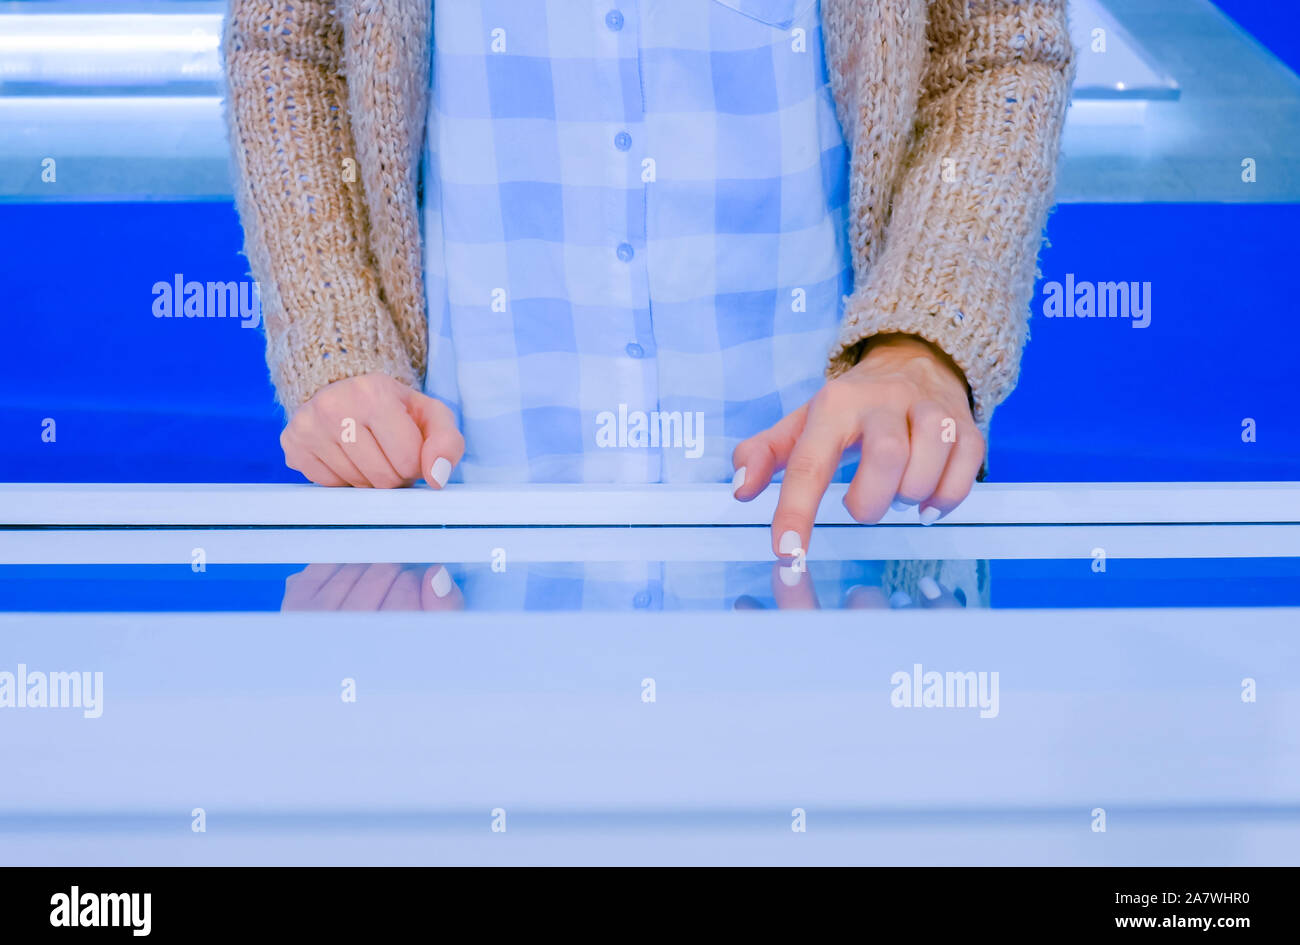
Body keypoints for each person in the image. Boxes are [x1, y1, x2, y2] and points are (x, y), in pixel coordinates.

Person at [223, 0, 1073, 559]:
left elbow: (994, 44)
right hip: (452, 537)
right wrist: (335, 336)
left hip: (844, 520)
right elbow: (292, 41)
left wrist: (919, 343)